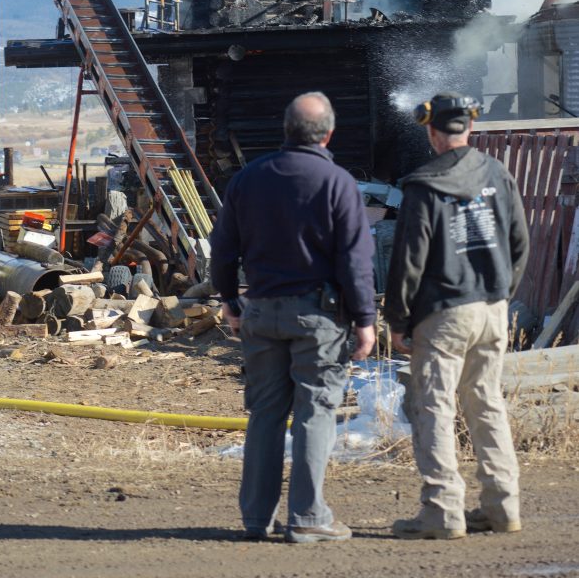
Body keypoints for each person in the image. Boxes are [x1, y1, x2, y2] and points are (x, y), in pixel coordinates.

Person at [210, 91, 376, 544]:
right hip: (318, 316)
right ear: (329, 134)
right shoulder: (337, 182)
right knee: (315, 412)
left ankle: (255, 518)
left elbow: (222, 249)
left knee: (265, 413)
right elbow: (355, 259)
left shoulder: (247, 179)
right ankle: (307, 517)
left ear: (286, 129)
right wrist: (365, 318)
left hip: (261, 311)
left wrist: (230, 301)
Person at [384, 91, 530, 541]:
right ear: (470, 127)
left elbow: (409, 260)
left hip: (443, 313)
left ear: (431, 132)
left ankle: (443, 513)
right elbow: (520, 242)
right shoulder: (496, 172)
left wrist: (397, 319)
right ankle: (503, 508)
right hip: (492, 308)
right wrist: (501, 293)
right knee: (486, 403)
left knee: (434, 407)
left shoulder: (423, 185)